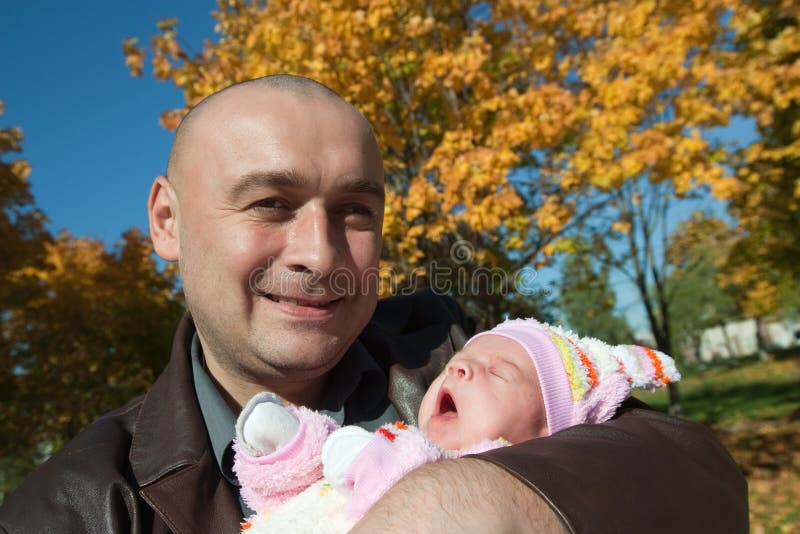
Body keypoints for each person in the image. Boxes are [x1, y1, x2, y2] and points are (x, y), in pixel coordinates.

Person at [0, 75, 748, 533]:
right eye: (270, 202)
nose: (320, 254)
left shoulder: (453, 346)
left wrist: (484, 503)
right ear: (167, 221)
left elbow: (696, 467)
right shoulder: (82, 506)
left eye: (355, 211)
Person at [232, 317, 683, 533]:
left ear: (552, 435)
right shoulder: (398, 441)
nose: (458, 370)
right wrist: (293, 453)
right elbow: (315, 491)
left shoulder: (479, 477)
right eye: (462, 362)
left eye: (500, 371)